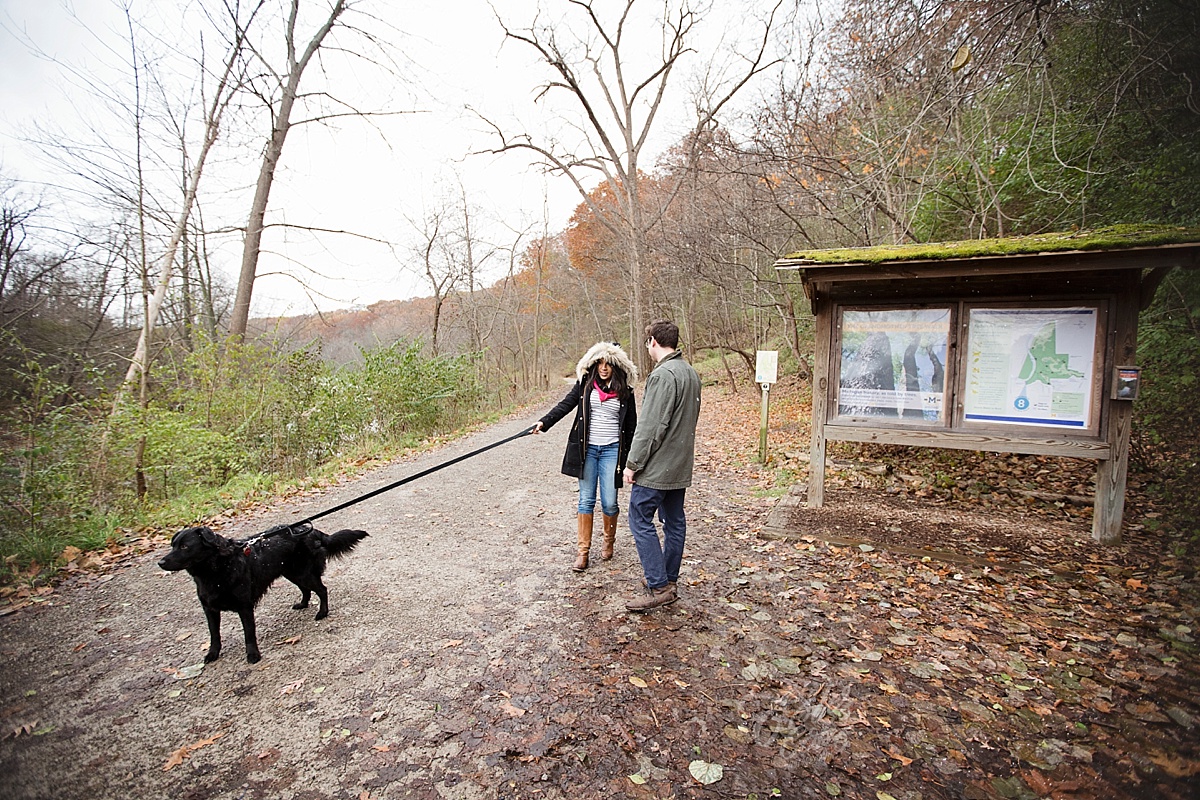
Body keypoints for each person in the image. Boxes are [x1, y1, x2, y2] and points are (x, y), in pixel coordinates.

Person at [534, 342, 638, 572]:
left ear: (616, 366)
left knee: (610, 502)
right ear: (593, 364)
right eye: (599, 363)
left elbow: (632, 426)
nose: (603, 368)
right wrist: (544, 422)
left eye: (608, 364)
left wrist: (633, 459)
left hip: (612, 450)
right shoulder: (585, 384)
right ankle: (583, 552)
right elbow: (565, 405)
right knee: (586, 500)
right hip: (587, 450)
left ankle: (608, 540)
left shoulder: (625, 390)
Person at [621, 320, 701, 612]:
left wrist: (633, 464)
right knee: (674, 521)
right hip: (680, 464)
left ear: (653, 341)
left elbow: (651, 426)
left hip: (657, 468)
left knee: (639, 517)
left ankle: (659, 586)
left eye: (647, 342)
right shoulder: (690, 373)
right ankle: (668, 578)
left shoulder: (662, 375)